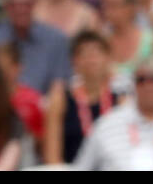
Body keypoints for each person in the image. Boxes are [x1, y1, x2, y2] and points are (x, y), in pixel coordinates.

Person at [0, 0, 72, 93]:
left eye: (26, 4)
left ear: (35, 4)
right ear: (5, 6)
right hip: (1, 106)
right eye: (14, 4)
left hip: (45, 107)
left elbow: (60, 86)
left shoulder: (56, 40)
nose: (21, 9)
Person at [43, 31, 119, 164]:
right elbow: (52, 156)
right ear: (74, 62)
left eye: (96, 53)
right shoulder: (61, 99)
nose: (91, 59)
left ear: (108, 58)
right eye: (84, 54)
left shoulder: (121, 99)